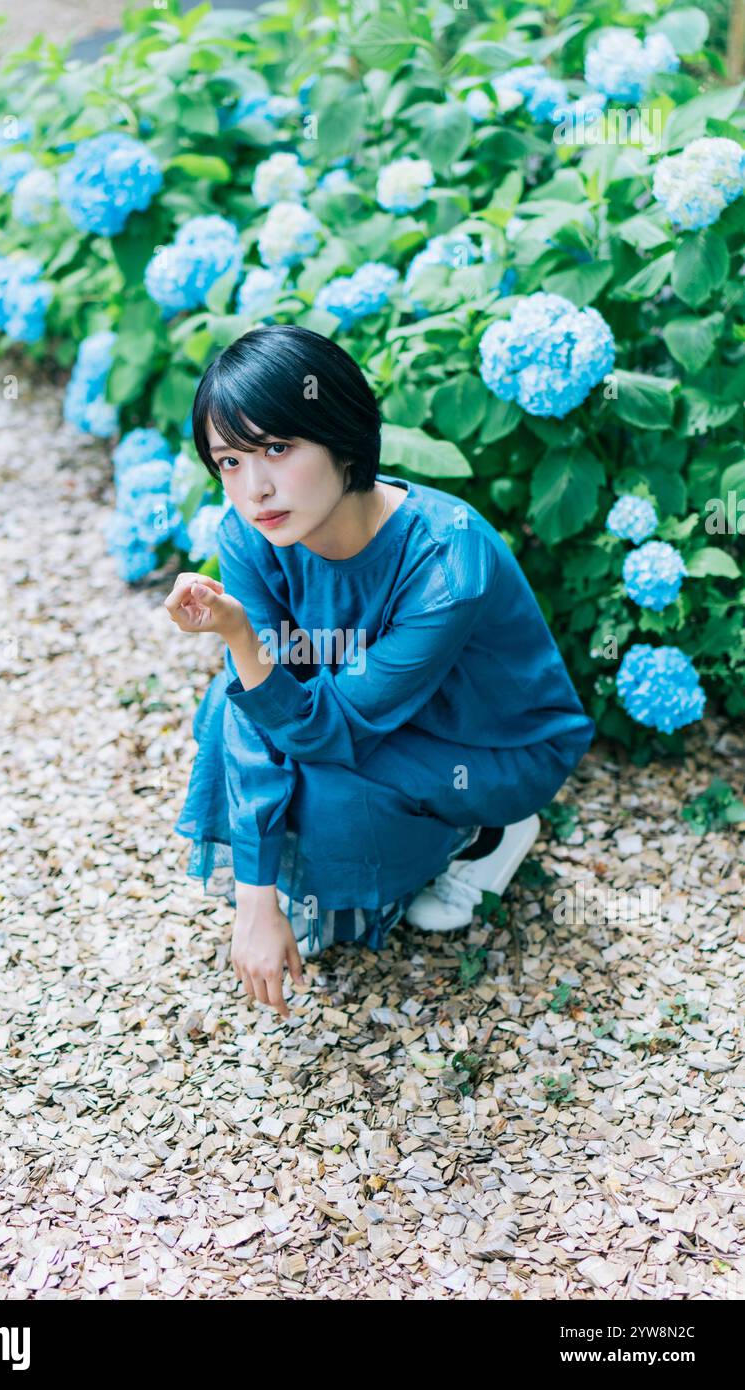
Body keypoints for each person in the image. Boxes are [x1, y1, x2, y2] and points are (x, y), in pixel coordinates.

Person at [165, 324, 595, 1019]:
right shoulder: (251, 532)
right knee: (229, 708)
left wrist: (246, 642)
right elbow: (261, 708)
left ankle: (489, 829)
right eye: (231, 462)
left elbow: (324, 722)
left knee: (332, 794)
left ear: (341, 434)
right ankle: (333, 871)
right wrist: (256, 897)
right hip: (353, 708)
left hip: (486, 743)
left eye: (278, 448)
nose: (257, 487)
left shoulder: (447, 558)